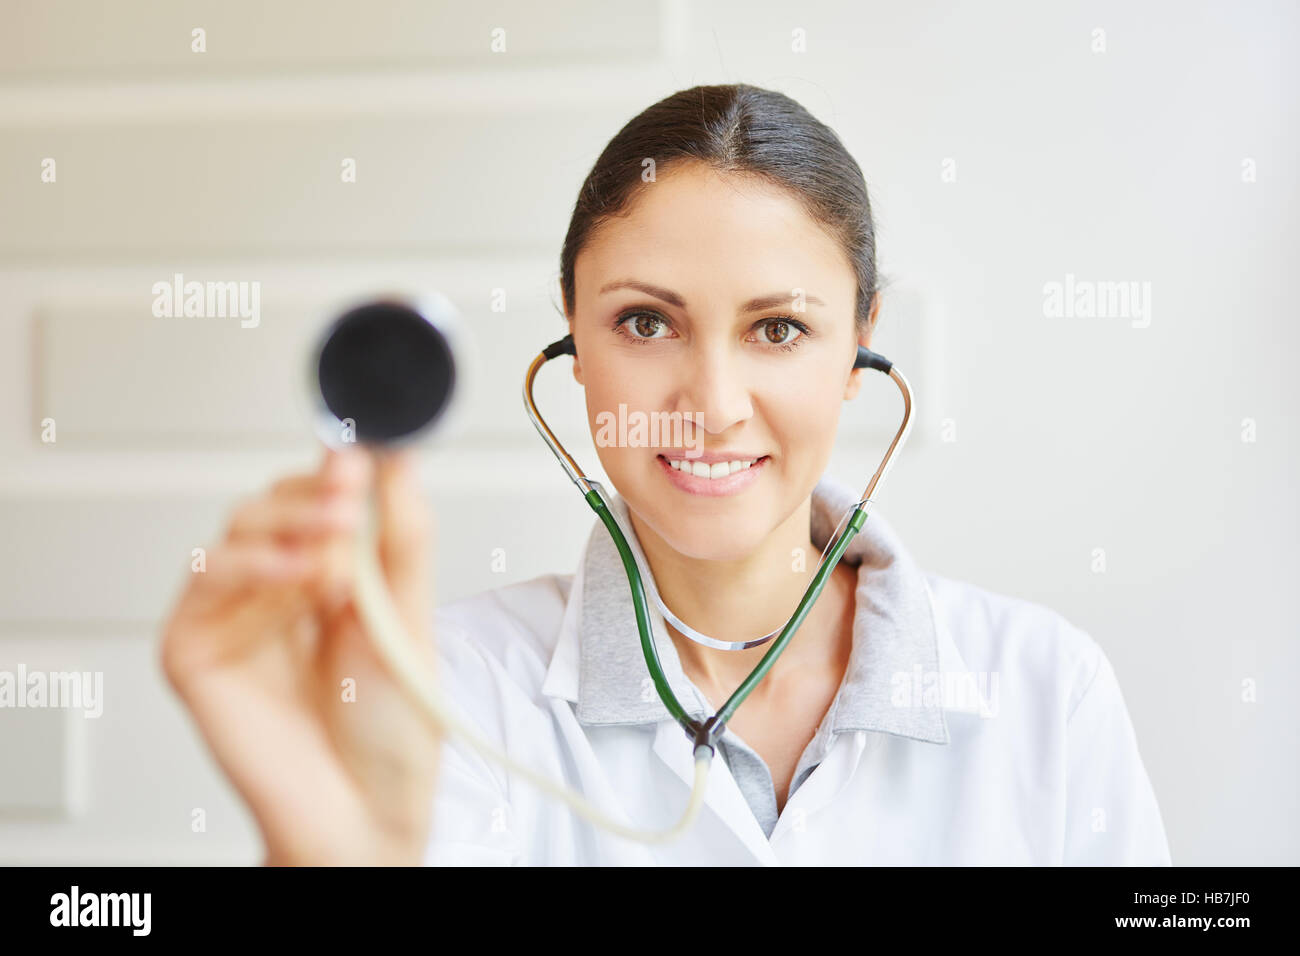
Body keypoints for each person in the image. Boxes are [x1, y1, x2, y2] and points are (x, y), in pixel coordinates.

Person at [160, 83, 1172, 866]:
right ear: (572, 330)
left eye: (779, 329)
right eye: (647, 321)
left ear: (861, 344)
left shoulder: (1045, 689)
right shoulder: (450, 692)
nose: (712, 402)